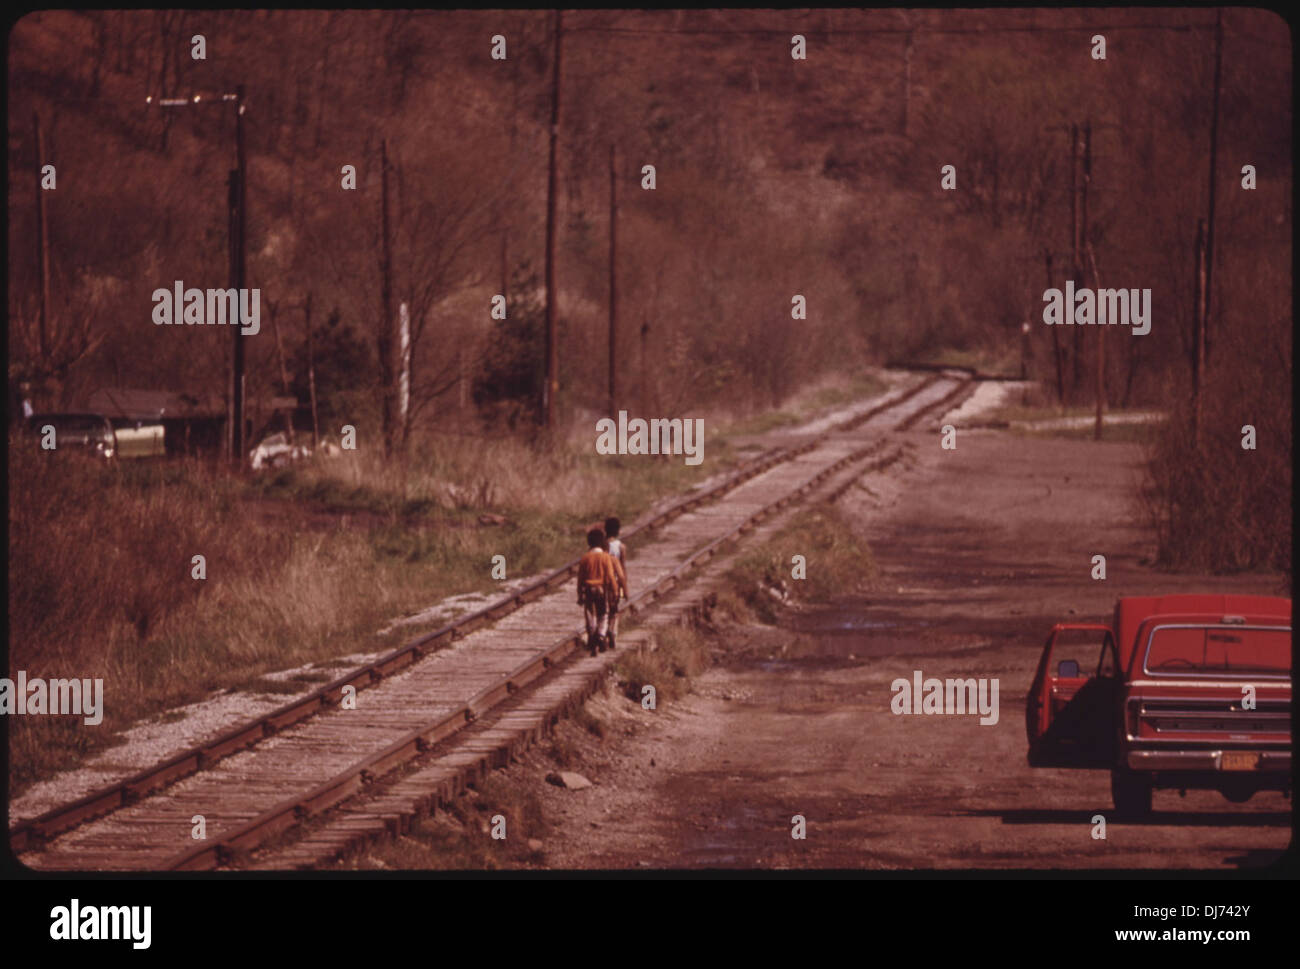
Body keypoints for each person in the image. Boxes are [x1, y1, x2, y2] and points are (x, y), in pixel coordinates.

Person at [577, 527, 620, 655]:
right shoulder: (606, 557)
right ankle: (601, 635)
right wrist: (615, 591)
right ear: (602, 542)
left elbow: (580, 578)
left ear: (589, 542)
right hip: (602, 588)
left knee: (590, 612)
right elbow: (611, 576)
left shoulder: (585, 558)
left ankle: (592, 632)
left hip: (589, 588)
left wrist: (579, 593)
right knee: (603, 613)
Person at [604, 516, 629, 650]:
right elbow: (623, 567)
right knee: (614, 607)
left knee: (603, 607)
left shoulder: (602, 545)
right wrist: (625, 587)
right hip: (616, 580)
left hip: (603, 579)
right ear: (618, 530)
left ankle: (603, 631)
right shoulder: (621, 546)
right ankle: (611, 630)